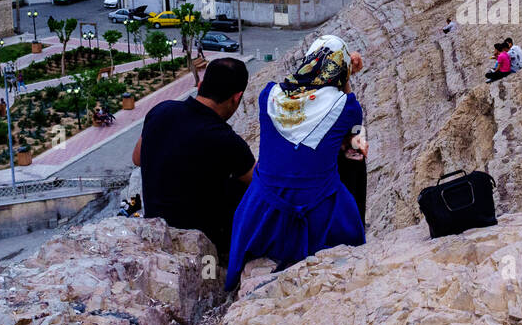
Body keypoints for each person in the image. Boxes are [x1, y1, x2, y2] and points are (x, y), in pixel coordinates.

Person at [226, 36, 367, 290]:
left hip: (263, 214)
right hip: (322, 215)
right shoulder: (348, 108)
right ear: (341, 69)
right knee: (354, 159)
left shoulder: (268, 95)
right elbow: (356, 139)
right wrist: (346, 81)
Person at [133, 57, 255, 263]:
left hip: (157, 225)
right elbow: (261, 182)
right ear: (237, 97)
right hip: (202, 239)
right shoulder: (226, 140)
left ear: (200, 86)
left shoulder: (161, 111)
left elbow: (138, 158)